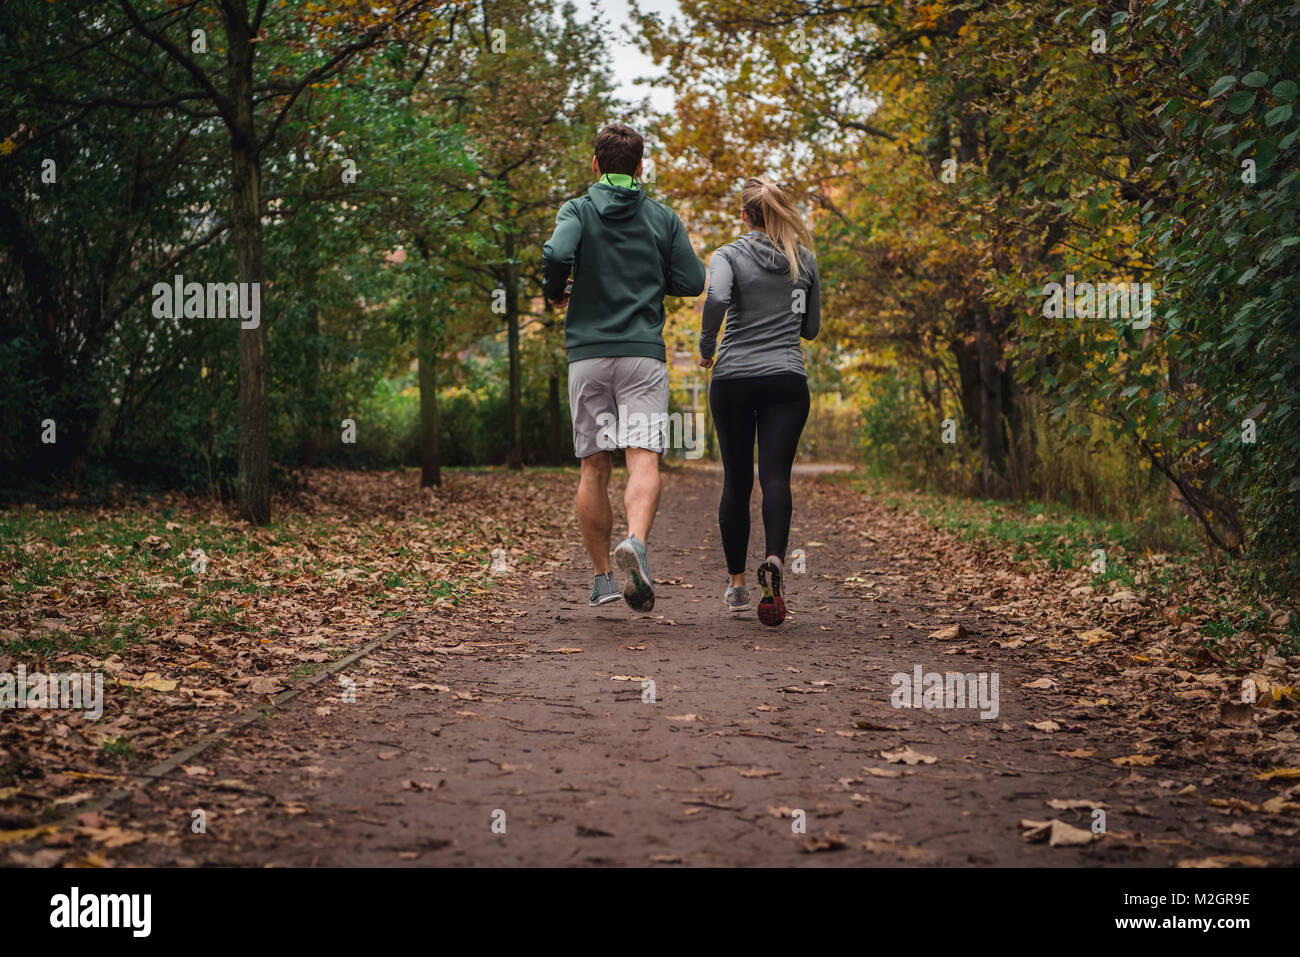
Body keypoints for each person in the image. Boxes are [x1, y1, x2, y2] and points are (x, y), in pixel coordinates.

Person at [542, 124, 706, 612]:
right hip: (642, 355)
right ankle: (635, 541)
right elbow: (693, 279)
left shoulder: (578, 210)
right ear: (640, 167)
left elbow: (555, 252)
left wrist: (557, 288)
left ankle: (602, 580)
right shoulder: (661, 217)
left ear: (596, 165)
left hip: (588, 354)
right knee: (643, 458)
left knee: (594, 468)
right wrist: (651, 280)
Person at [698, 176, 820, 627]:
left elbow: (717, 296)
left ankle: (737, 586)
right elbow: (810, 329)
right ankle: (774, 560)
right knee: (775, 477)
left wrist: (707, 347)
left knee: (736, 480)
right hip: (787, 380)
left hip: (733, 378)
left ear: (744, 214)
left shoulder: (727, 255)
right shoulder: (803, 259)